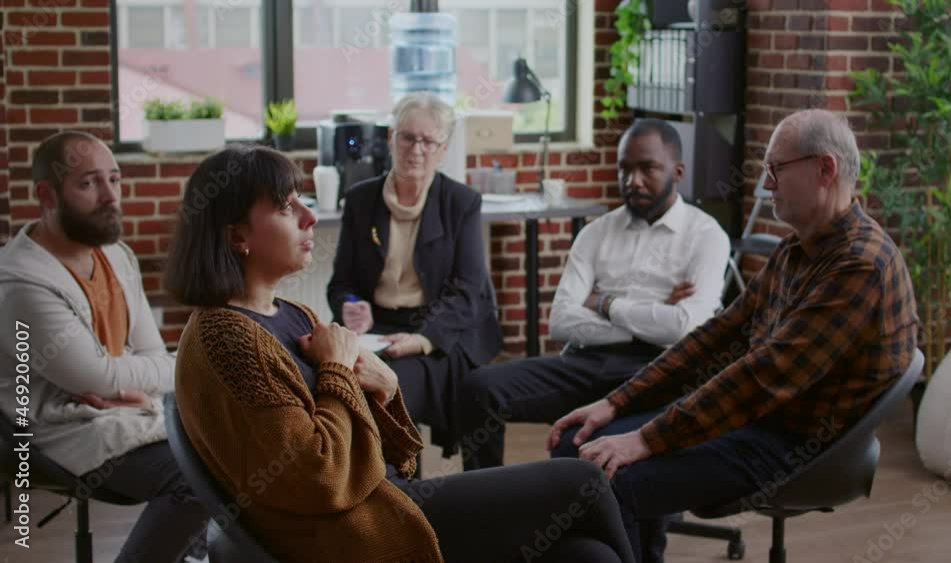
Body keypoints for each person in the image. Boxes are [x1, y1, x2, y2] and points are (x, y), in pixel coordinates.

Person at [164, 144, 637, 563]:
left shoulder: (294, 315)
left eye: (302, 201)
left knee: (587, 555)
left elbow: (396, 456)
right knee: (584, 481)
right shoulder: (228, 338)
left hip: (383, 498)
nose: (309, 217)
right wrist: (336, 369)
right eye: (287, 208)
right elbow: (320, 478)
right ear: (237, 236)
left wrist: (387, 387)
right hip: (353, 534)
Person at [548, 109, 920, 563]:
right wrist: (617, 403)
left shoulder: (859, 267)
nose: (766, 184)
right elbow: (719, 336)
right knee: (575, 446)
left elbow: (761, 378)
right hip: (758, 419)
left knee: (601, 480)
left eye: (776, 169)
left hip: (793, 444)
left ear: (825, 169)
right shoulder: (798, 248)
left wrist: (643, 439)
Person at [460, 119, 731, 470]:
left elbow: (684, 327)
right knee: (479, 388)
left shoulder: (706, 236)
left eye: (647, 168)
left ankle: (604, 504)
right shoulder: (596, 233)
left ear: (677, 172)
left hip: (658, 369)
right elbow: (561, 321)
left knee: (575, 445)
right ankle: (483, 498)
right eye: (624, 169)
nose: (632, 181)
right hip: (584, 362)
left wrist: (604, 303)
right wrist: (653, 313)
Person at [0, 131, 208, 563]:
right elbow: (99, 377)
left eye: (114, 179)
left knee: (230, 446)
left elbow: (151, 356)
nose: (110, 196)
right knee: (194, 477)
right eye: (89, 183)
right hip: (57, 429)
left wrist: (134, 382)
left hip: (125, 409)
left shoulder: (117, 256)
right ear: (47, 195)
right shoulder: (21, 279)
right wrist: (148, 375)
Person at [326, 92, 502, 458]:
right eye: (407, 137)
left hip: (441, 329)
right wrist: (351, 305)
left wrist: (422, 339)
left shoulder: (461, 202)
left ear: (443, 149)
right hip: (379, 327)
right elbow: (342, 284)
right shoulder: (360, 200)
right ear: (392, 139)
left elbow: (468, 291)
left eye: (428, 141)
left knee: (391, 390)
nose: (416, 150)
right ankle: (394, 486)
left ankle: (409, 486)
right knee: (349, 386)